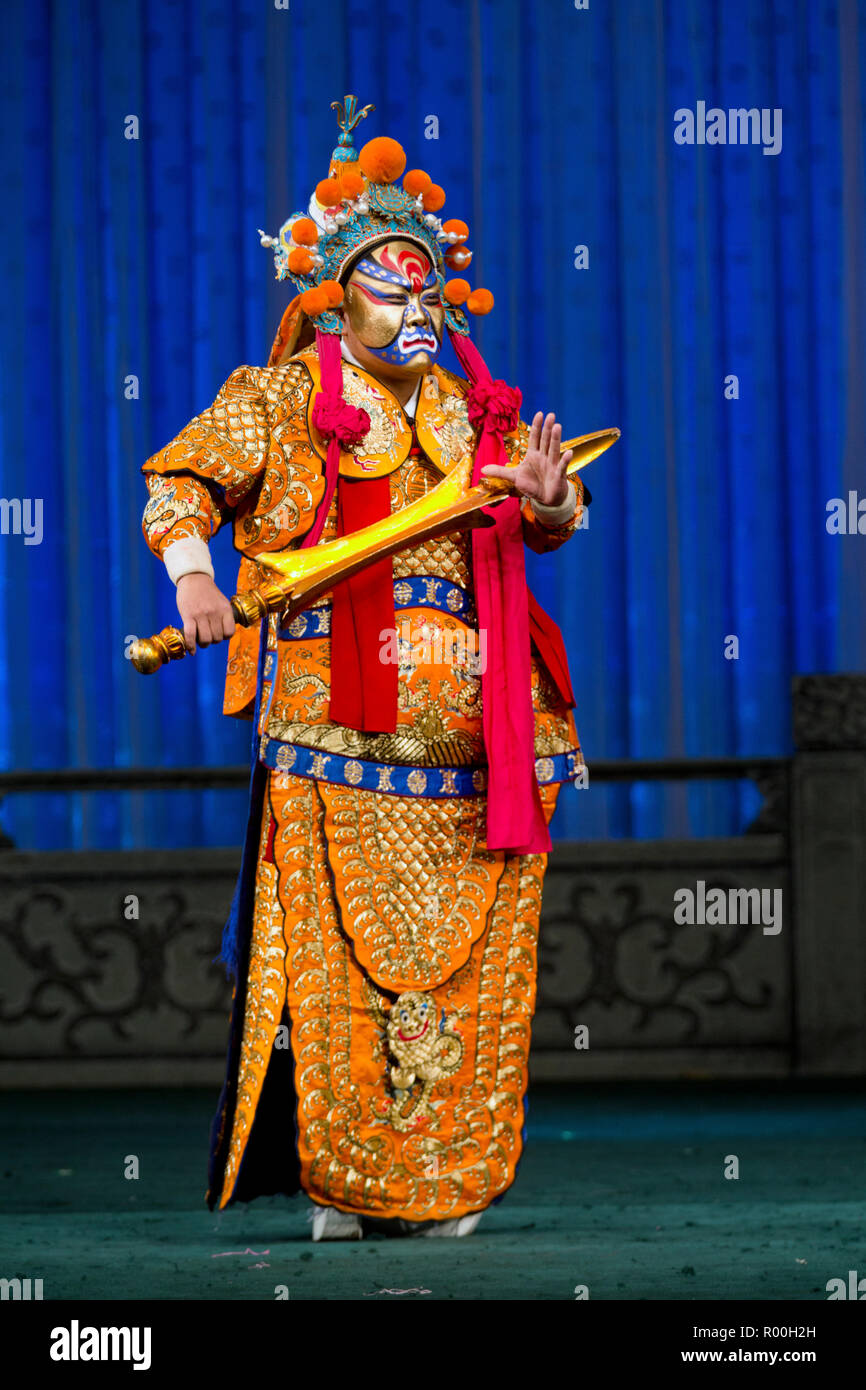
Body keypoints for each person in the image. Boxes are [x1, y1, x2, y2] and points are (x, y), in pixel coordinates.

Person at [141, 96, 589, 1240]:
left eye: (428, 289)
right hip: (335, 735)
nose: (418, 307)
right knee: (336, 970)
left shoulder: (467, 409)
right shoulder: (282, 400)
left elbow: (534, 525)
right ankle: (346, 1179)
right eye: (394, 287)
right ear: (337, 292)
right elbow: (181, 483)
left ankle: (448, 1176)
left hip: (478, 741)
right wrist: (195, 581)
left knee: (469, 974)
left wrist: (551, 505)